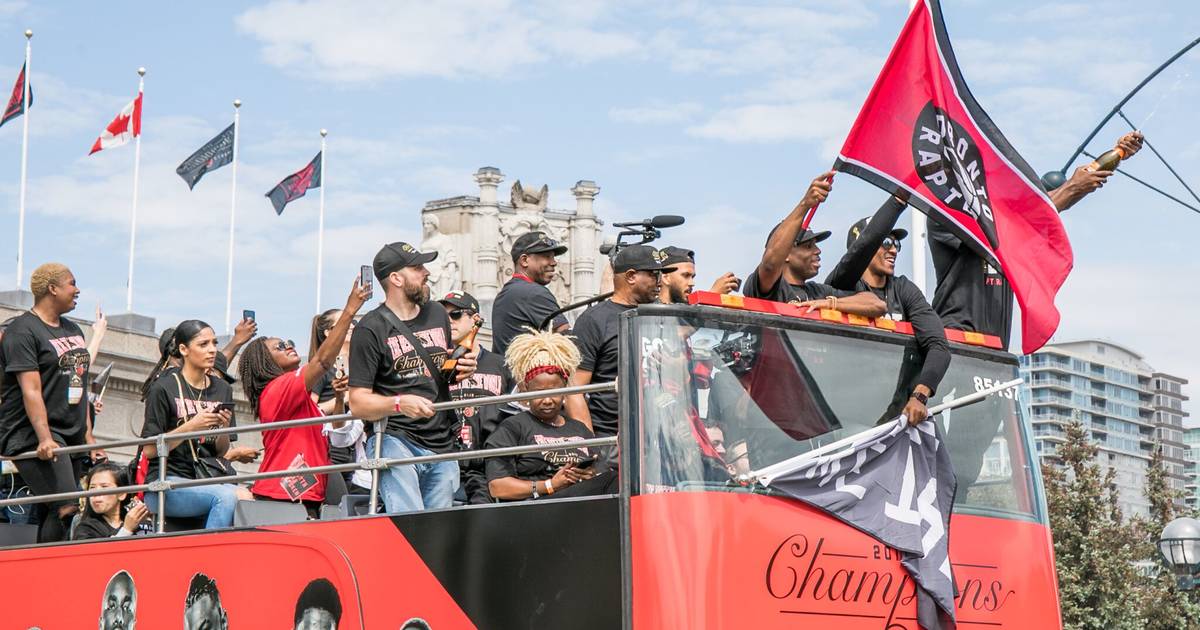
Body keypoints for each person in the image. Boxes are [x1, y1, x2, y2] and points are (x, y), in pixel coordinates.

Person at [929, 131, 1144, 348]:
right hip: (954, 338)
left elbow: (1036, 209)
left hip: (995, 344)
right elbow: (1016, 224)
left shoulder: (993, 209)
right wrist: (1071, 187)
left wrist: (1116, 155)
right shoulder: (946, 211)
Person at [347, 242, 477, 513]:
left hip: (442, 441)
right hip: (395, 439)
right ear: (396, 278)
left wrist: (460, 371)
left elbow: (435, 373)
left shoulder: (437, 313)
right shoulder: (370, 328)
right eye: (417, 267)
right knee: (409, 520)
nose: (426, 272)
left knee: (436, 529)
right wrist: (398, 403)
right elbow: (358, 402)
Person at [239, 279, 368, 516]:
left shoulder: (295, 394)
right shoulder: (278, 388)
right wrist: (350, 311)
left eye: (289, 342)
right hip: (282, 498)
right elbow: (322, 361)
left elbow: (336, 428)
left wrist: (339, 398)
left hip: (305, 496)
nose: (289, 346)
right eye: (280, 347)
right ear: (265, 362)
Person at [826, 209, 951, 425]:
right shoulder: (842, 285)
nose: (893, 249)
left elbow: (938, 345)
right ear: (863, 248)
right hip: (848, 419)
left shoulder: (904, 289)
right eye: (885, 241)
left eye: (896, 244)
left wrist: (920, 395)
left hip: (896, 418)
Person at [0, 263, 93, 542]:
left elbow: (80, 383)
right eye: (71, 283)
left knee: (54, 511)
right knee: (67, 507)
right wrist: (44, 438)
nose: (77, 290)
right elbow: (31, 390)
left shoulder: (74, 329)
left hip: (71, 432)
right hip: (33, 434)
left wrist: (87, 435)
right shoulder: (22, 330)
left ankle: (43, 573)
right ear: (52, 289)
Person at [140, 320, 248, 529]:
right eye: (203, 344)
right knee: (227, 497)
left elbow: (221, 450)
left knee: (245, 496)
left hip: (208, 477)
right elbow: (150, 450)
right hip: (166, 482)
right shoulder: (163, 387)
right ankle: (208, 559)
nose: (212, 350)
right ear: (184, 349)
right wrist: (192, 426)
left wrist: (223, 429)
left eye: (215, 343)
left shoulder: (222, 389)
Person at [486, 330, 615, 500]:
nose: (547, 400)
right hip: (540, 505)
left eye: (554, 392)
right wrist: (550, 485)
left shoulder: (579, 429)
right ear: (526, 389)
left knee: (617, 478)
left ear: (564, 391)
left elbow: (598, 470)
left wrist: (589, 475)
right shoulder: (512, 427)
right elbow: (498, 487)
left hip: (580, 502)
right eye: (539, 392)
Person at [565, 245, 676, 436]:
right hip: (612, 438)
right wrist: (590, 447)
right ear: (631, 276)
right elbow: (573, 391)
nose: (660, 282)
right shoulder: (594, 320)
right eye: (654, 275)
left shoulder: (659, 317)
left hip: (658, 434)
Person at [743, 172, 887, 317]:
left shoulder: (819, 292)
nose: (818, 250)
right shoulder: (768, 288)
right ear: (786, 254)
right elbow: (770, 264)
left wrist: (829, 304)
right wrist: (805, 204)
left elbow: (877, 304)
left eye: (815, 245)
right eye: (808, 246)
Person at [438, 291, 513, 504]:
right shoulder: (434, 365)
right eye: (444, 317)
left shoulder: (501, 365)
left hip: (488, 461)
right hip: (446, 456)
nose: (449, 321)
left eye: (456, 315)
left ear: (475, 320)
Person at [491, 231, 570, 358]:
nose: (554, 262)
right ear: (524, 260)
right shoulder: (534, 292)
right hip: (529, 376)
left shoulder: (506, 293)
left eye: (553, 257)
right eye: (547, 256)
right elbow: (567, 341)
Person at [308, 308, 356, 487]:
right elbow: (311, 411)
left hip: (357, 447)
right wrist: (344, 398)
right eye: (344, 323)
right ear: (328, 332)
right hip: (331, 448)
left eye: (353, 323)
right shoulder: (322, 368)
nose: (351, 326)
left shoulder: (362, 363)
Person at [72, 462, 150, 540]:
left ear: (121, 494)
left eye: (104, 486)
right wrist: (126, 530)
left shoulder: (140, 521)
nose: (96, 493)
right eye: (92, 487)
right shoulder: (85, 529)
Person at [657, 246, 740, 305]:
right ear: (666, 278)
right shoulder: (649, 310)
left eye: (692, 277)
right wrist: (711, 297)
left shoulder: (688, 310)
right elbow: (680, 329)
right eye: (685, 275)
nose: (692, 283)